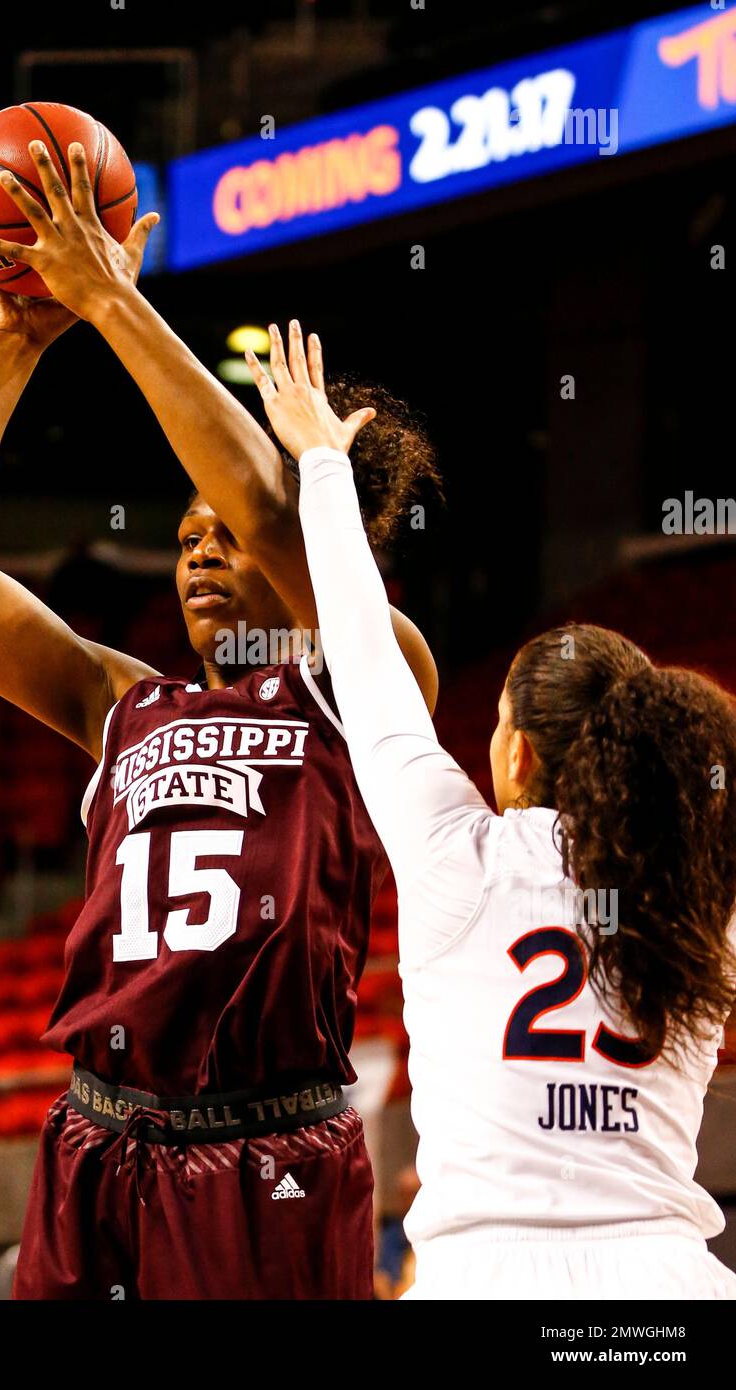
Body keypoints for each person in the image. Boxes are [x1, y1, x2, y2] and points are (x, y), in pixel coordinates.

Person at [0, 140, 440, 1300]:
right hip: (97, 1137)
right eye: (183, 538)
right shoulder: (119, 704)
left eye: (224, 536)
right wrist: (6, 348)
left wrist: (112, 299)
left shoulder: (364, 684)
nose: (199, 551)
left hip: (268, 1152)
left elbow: (267, 506)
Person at [246, 321, 736, 1300]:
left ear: (509, 750)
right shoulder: (700, 887)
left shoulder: (455, 858)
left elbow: (363, 654)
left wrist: (321, 464)